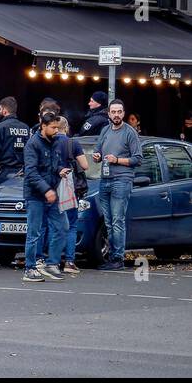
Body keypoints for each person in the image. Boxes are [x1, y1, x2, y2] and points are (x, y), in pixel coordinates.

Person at [93, 99, 142, 271]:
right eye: (113, 112)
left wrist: (117, 160)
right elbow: (97, 150)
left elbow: (138, 159)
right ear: (108, 114)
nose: (116, 115)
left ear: (123, 113)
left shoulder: (130, 132)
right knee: (108, 222)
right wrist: (97, 156)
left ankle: (118, 258)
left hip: (122, 180)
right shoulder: (105, 130)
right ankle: (112, 257)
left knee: (117, 220)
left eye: (119, 112)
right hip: (104, 180)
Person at [22, 112, 71, 283]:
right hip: (36, 195)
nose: (56, 130)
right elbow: (31, 173)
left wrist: (60, 170)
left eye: (58, 127)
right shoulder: (32, 144)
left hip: (52, 193)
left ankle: (51, 263)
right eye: (53, 127)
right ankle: (29, 268)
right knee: (34, 232)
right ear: (43, 126)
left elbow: (54, 164)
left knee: (63, 227)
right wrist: (46, 190)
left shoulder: (55, 142)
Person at [53, 116, 89, 276]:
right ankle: (69, 261)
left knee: (51, 224)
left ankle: (50, 259)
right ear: (66, 128)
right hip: (68, 186)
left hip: (51, 184)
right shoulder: (72, 143)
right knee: (72, 224)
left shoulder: (49, 141)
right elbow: (85, 165)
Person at [0, 96, 30, 188]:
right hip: (23, 173)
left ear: (4, 110)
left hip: (3, 174)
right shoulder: (26, 128)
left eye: (0, 109)